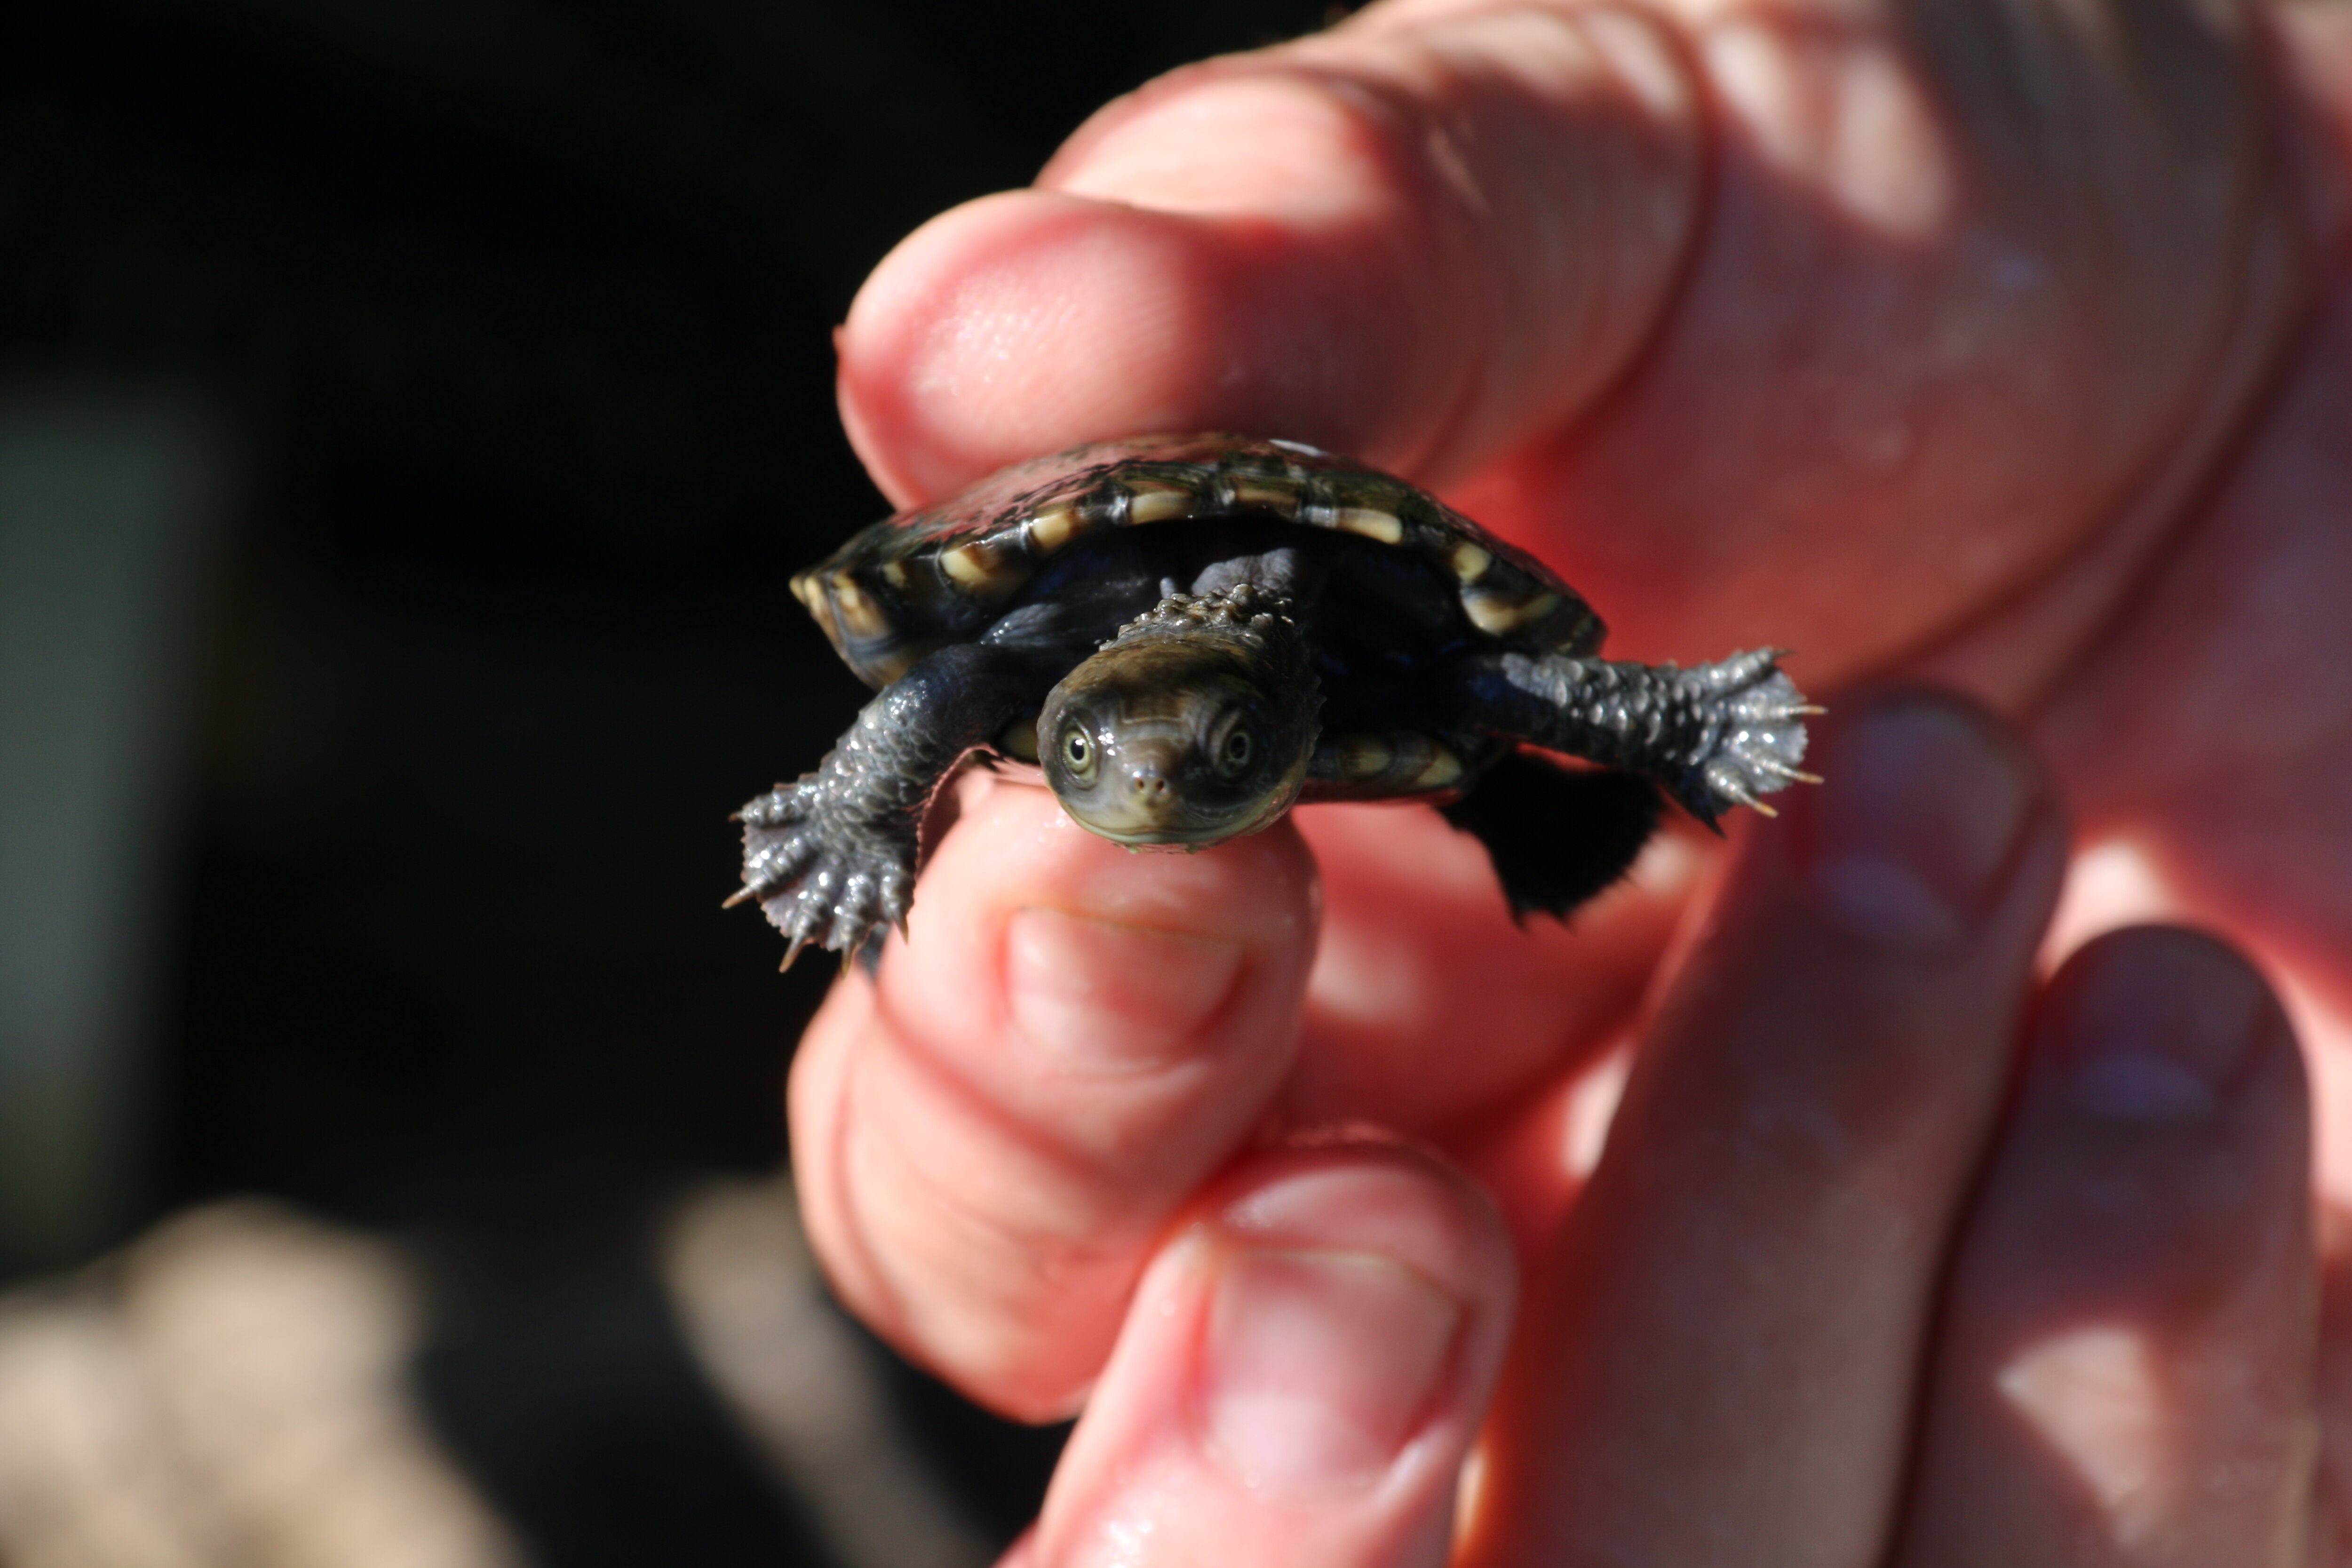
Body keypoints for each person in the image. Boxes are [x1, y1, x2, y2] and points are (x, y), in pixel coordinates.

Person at [787, 0, 2352, 1560]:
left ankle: (1552, 800)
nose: (1143, 800)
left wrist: (1669, 720)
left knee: (1485, 735)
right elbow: (945, 685)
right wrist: (860, 813)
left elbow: (1494, 679)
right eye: (1087, 760)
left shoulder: (1344, 641)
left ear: (1265, 731)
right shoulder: (1022, 653)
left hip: (1386, 668)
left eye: (1211, 764)